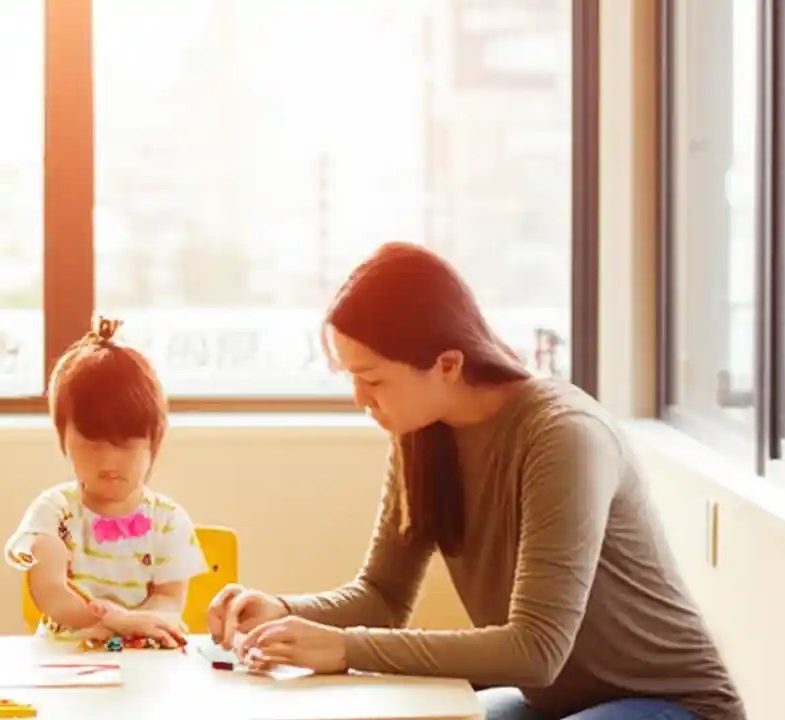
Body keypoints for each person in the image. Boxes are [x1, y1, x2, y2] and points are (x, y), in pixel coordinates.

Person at [207, 243, 743, 719]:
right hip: (558, 703)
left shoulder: (563, 436)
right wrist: (283, 610)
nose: (359, 399)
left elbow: (535, 649)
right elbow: (383, 594)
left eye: (372, 378)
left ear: (447, 363)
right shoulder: (421, 432)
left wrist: (345, 647)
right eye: (351, 377)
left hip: (674, 705)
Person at [6, 316, 208, 647]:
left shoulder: (168, 520)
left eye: (126, 446)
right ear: (63, 439)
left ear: (154, 442)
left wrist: (131, 624)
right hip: (65, 658)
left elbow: (170, 601)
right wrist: (109, 620)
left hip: (144, 658)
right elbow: (50, 591)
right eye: (92, 444)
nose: (109, 462)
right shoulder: (54, 513)